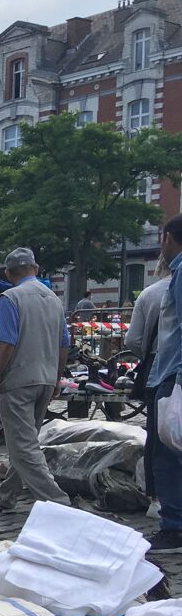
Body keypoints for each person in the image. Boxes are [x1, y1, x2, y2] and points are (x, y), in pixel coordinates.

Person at [0, 247, 72, 514]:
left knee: (23, 447)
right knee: (25, 442)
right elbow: (64, 343)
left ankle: (59, 504)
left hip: (19, 379)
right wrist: (56, 377)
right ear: (35, 268)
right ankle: (6, 496)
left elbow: (6, 343)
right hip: (45, 378)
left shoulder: (10, 297)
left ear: (9, 273)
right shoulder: (54, 299)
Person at [148, 215, 182, 553]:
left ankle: (174, 528)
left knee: (167, 453)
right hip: (174, 373)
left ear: (170, 237)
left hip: (174, 374)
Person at [127, 273, 168, 518]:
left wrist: (148, 354)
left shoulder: (151, 293)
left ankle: (156, 498)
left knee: (157, 433)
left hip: (158, 367)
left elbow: (133, 339)